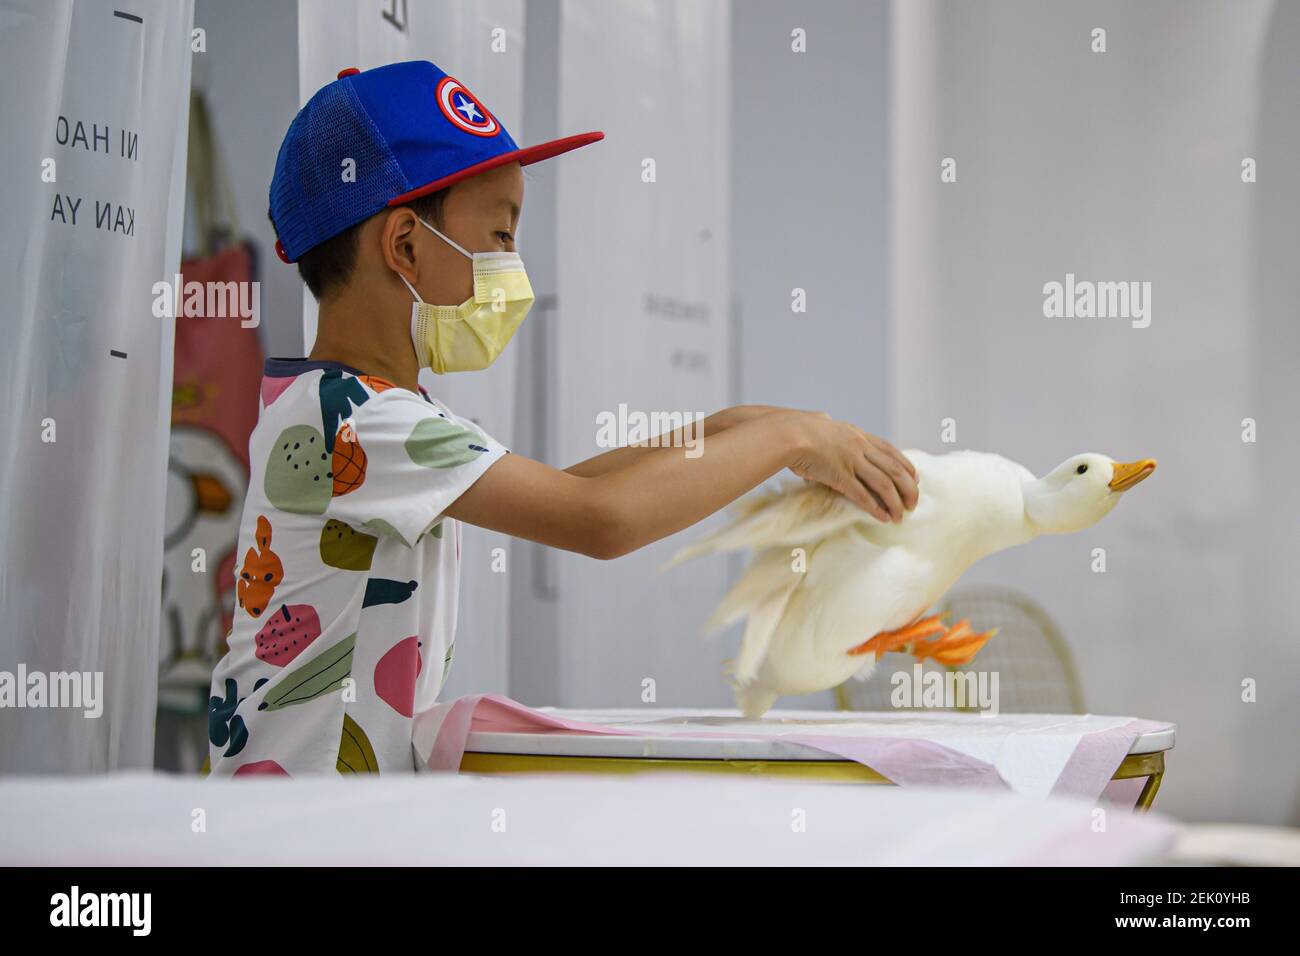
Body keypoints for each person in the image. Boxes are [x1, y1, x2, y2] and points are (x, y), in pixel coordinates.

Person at [207, 60, 918, 775]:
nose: (513, 269)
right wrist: (792, 437)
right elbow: (598, 516)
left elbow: (566, 485)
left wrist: (736, 425)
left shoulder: (363, 409)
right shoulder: (355, 423)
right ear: (406, 247)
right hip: (297, 827)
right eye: (500, 237)